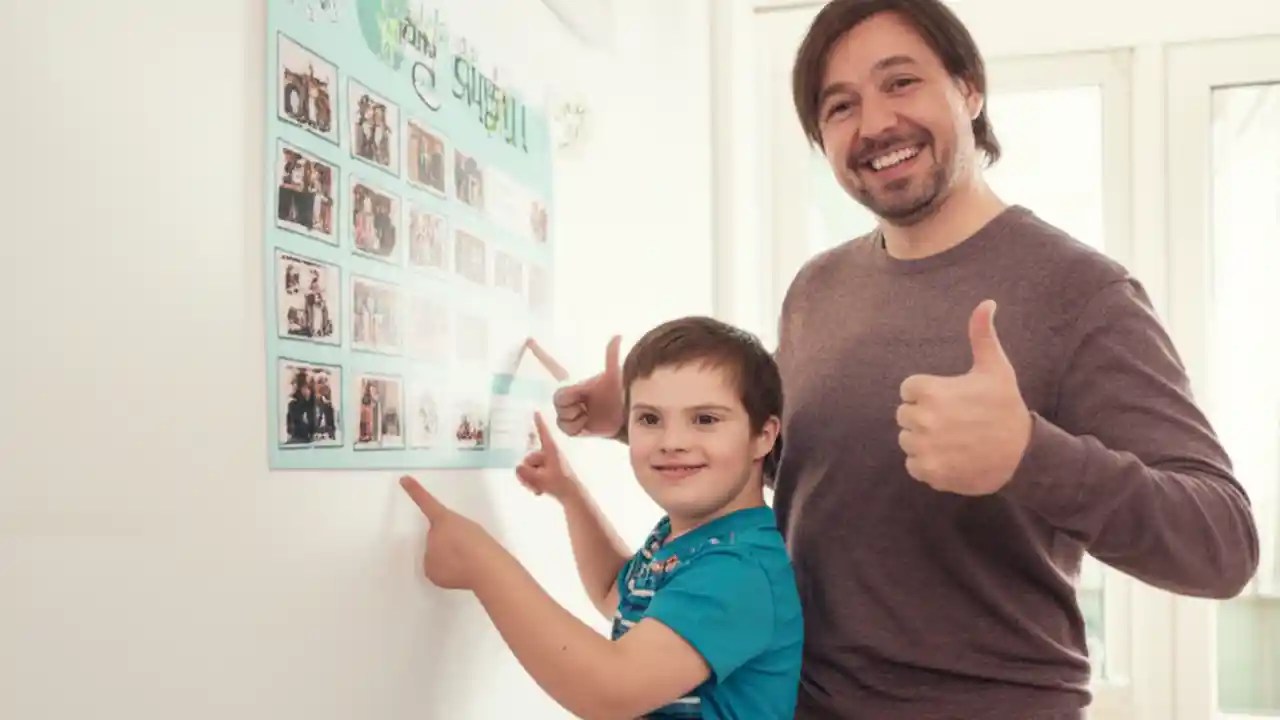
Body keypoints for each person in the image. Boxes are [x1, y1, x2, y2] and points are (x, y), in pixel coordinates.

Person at [550, 1, 1261, 718]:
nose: (876, 124)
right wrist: (628, 422)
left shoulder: (1080, 292)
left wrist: (1028, 454)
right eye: (840, 106)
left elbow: (1223, 544)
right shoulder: (817, 289)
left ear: (969, 89)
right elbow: (791, 459)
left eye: (901, 82)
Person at [401, 318, 804, 719]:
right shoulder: (687, 538)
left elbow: (611, 690)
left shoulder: (738, 570)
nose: (673, 442)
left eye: (705, 419)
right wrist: (570, 493)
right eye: (650, 419)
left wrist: (481, 563)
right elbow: (617, 592)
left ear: (763, 436)